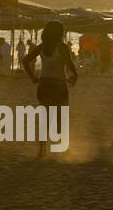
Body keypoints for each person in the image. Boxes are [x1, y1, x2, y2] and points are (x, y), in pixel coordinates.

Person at [22, 20, 78, 157]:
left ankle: (42, 150)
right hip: (59, 84)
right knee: (60, 118)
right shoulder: (62, 47)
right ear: (60, 33)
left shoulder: (41, 47)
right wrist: (75, 75)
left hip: (44, 84)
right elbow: (69, 64)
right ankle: (63, 148)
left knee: (45, 118)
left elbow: (25, 61)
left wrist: (33, 77)